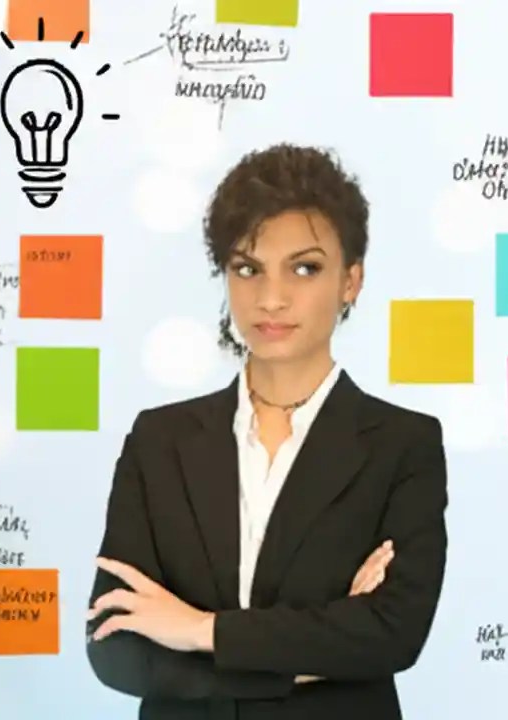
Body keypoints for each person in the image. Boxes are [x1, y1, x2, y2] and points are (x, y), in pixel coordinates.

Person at [85, 143, 449, 719]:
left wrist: (197, 629)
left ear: (351, 280)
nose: (271, 297)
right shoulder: (160, 440)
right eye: (247, 268)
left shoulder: (402, 445)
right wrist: (309, 653)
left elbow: (391, 635)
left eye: (305, 268)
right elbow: (116, 648)